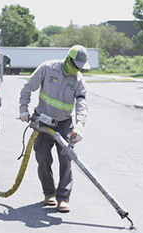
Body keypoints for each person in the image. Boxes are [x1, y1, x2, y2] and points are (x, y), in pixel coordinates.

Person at [19, 45, 89, 213]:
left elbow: (81, 104)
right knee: (42, 157)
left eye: (81, 67)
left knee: (66, 159)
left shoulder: (78, 80)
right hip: (42, 122)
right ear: (69, 60)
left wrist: (79, 126)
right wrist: (23, 109)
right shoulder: (48, 68)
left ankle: (63, 198)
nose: (78, 69)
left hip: (64, 123)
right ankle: (49, 193)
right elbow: (28, 87)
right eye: (77, 65)